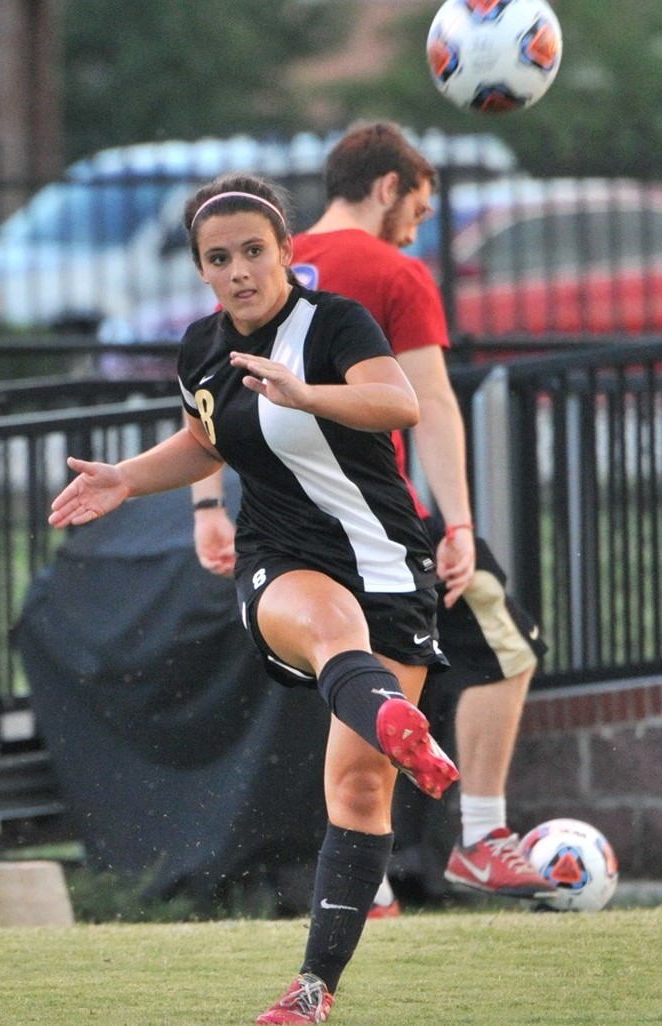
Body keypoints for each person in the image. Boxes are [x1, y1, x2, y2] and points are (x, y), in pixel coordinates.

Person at [50, 173, 460, 1024]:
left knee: (356, 793)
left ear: (286, 254)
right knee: (323, 624)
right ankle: (388, 715)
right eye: (218, 258)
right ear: (201, 270)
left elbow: (400, 402)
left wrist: (307, 392)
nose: (238, 270)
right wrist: (127, 478)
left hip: (388, 561)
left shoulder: (334, 323)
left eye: (252, 252)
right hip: (281, 553)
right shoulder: (201, 347)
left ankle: (314, 991)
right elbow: (207, 442)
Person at [189, 122, 552, 913]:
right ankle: (483, 839)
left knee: (348, 688)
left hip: (282, 530)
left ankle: (372, 885)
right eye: (416, 210)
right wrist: (457, 524)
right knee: (509, 640)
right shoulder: (387, 272)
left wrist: (206, 507)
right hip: (377, 531)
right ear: (387, 188)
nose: (417, 229)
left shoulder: (258, 260)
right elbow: (427, 404)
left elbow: (222, 408)